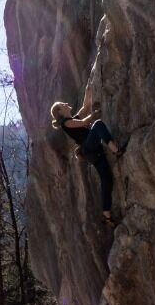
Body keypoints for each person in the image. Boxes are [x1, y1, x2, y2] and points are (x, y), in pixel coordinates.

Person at [51, 95, 120, 224]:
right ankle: (115, 150)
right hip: (89, 148)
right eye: (62, 104)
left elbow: (85, 106)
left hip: (94, 152)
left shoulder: (71, 120)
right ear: (60, 111)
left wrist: (89, 88)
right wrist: (94, 115)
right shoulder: (66, 123)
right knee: (98, 124)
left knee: (107, 179)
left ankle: (106, 214)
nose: (65, 103)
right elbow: (84, 122)